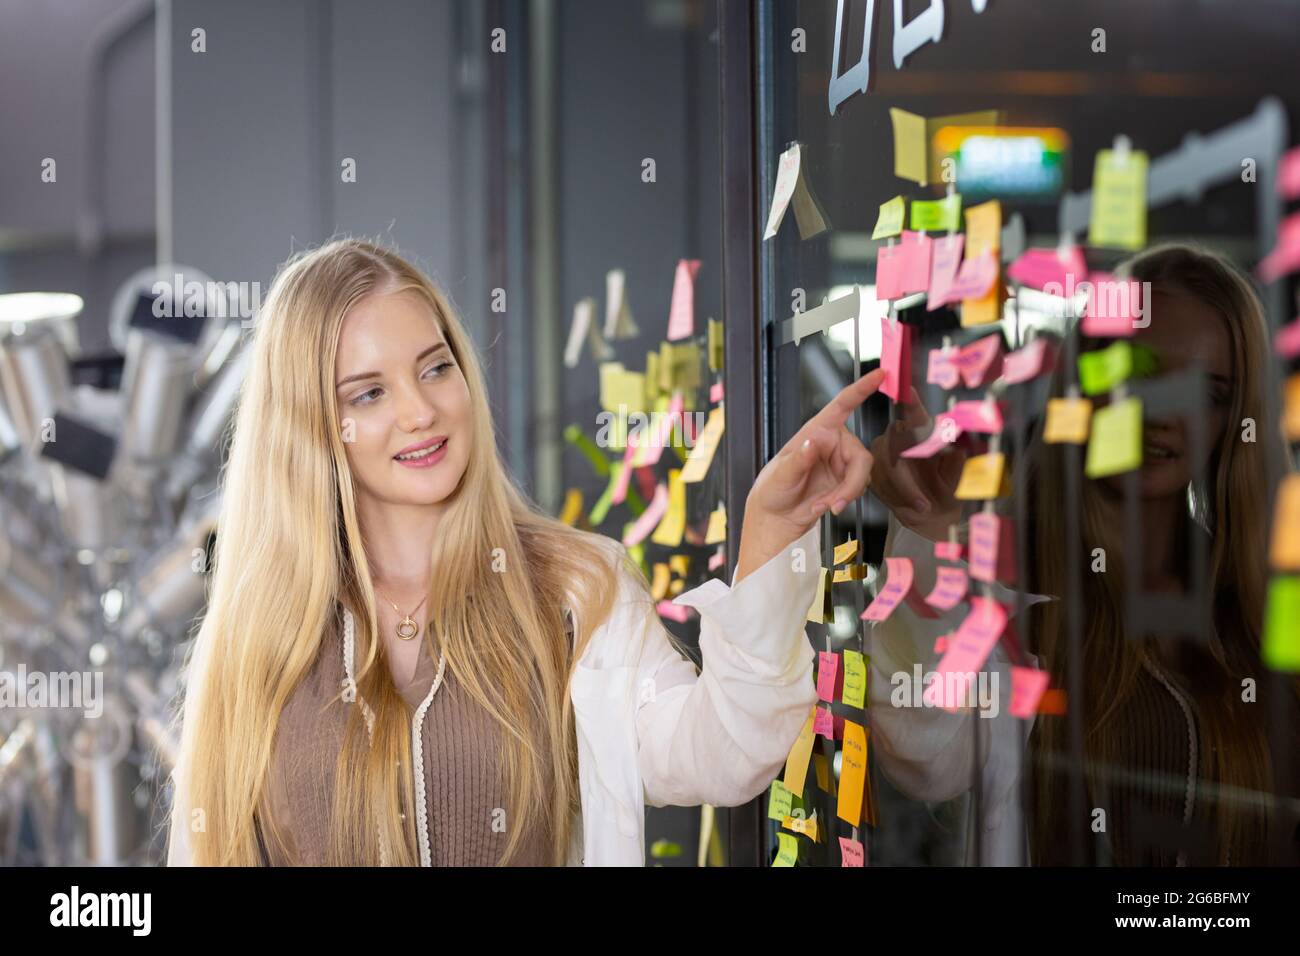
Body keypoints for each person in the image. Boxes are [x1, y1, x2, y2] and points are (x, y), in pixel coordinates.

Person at [166, 238, 886, 866]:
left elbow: (723, 751)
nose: (421, 410)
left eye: (435, 368)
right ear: (311, 427)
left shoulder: (574, 587)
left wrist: (769, 536)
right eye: (369, 393)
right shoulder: (256, 635)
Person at [866, 243, 1299, 866]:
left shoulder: (1257, 607)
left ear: (1235, 420)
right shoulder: (1012, 581)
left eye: (1207, 391)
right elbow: (922, 756)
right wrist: (930, 535)